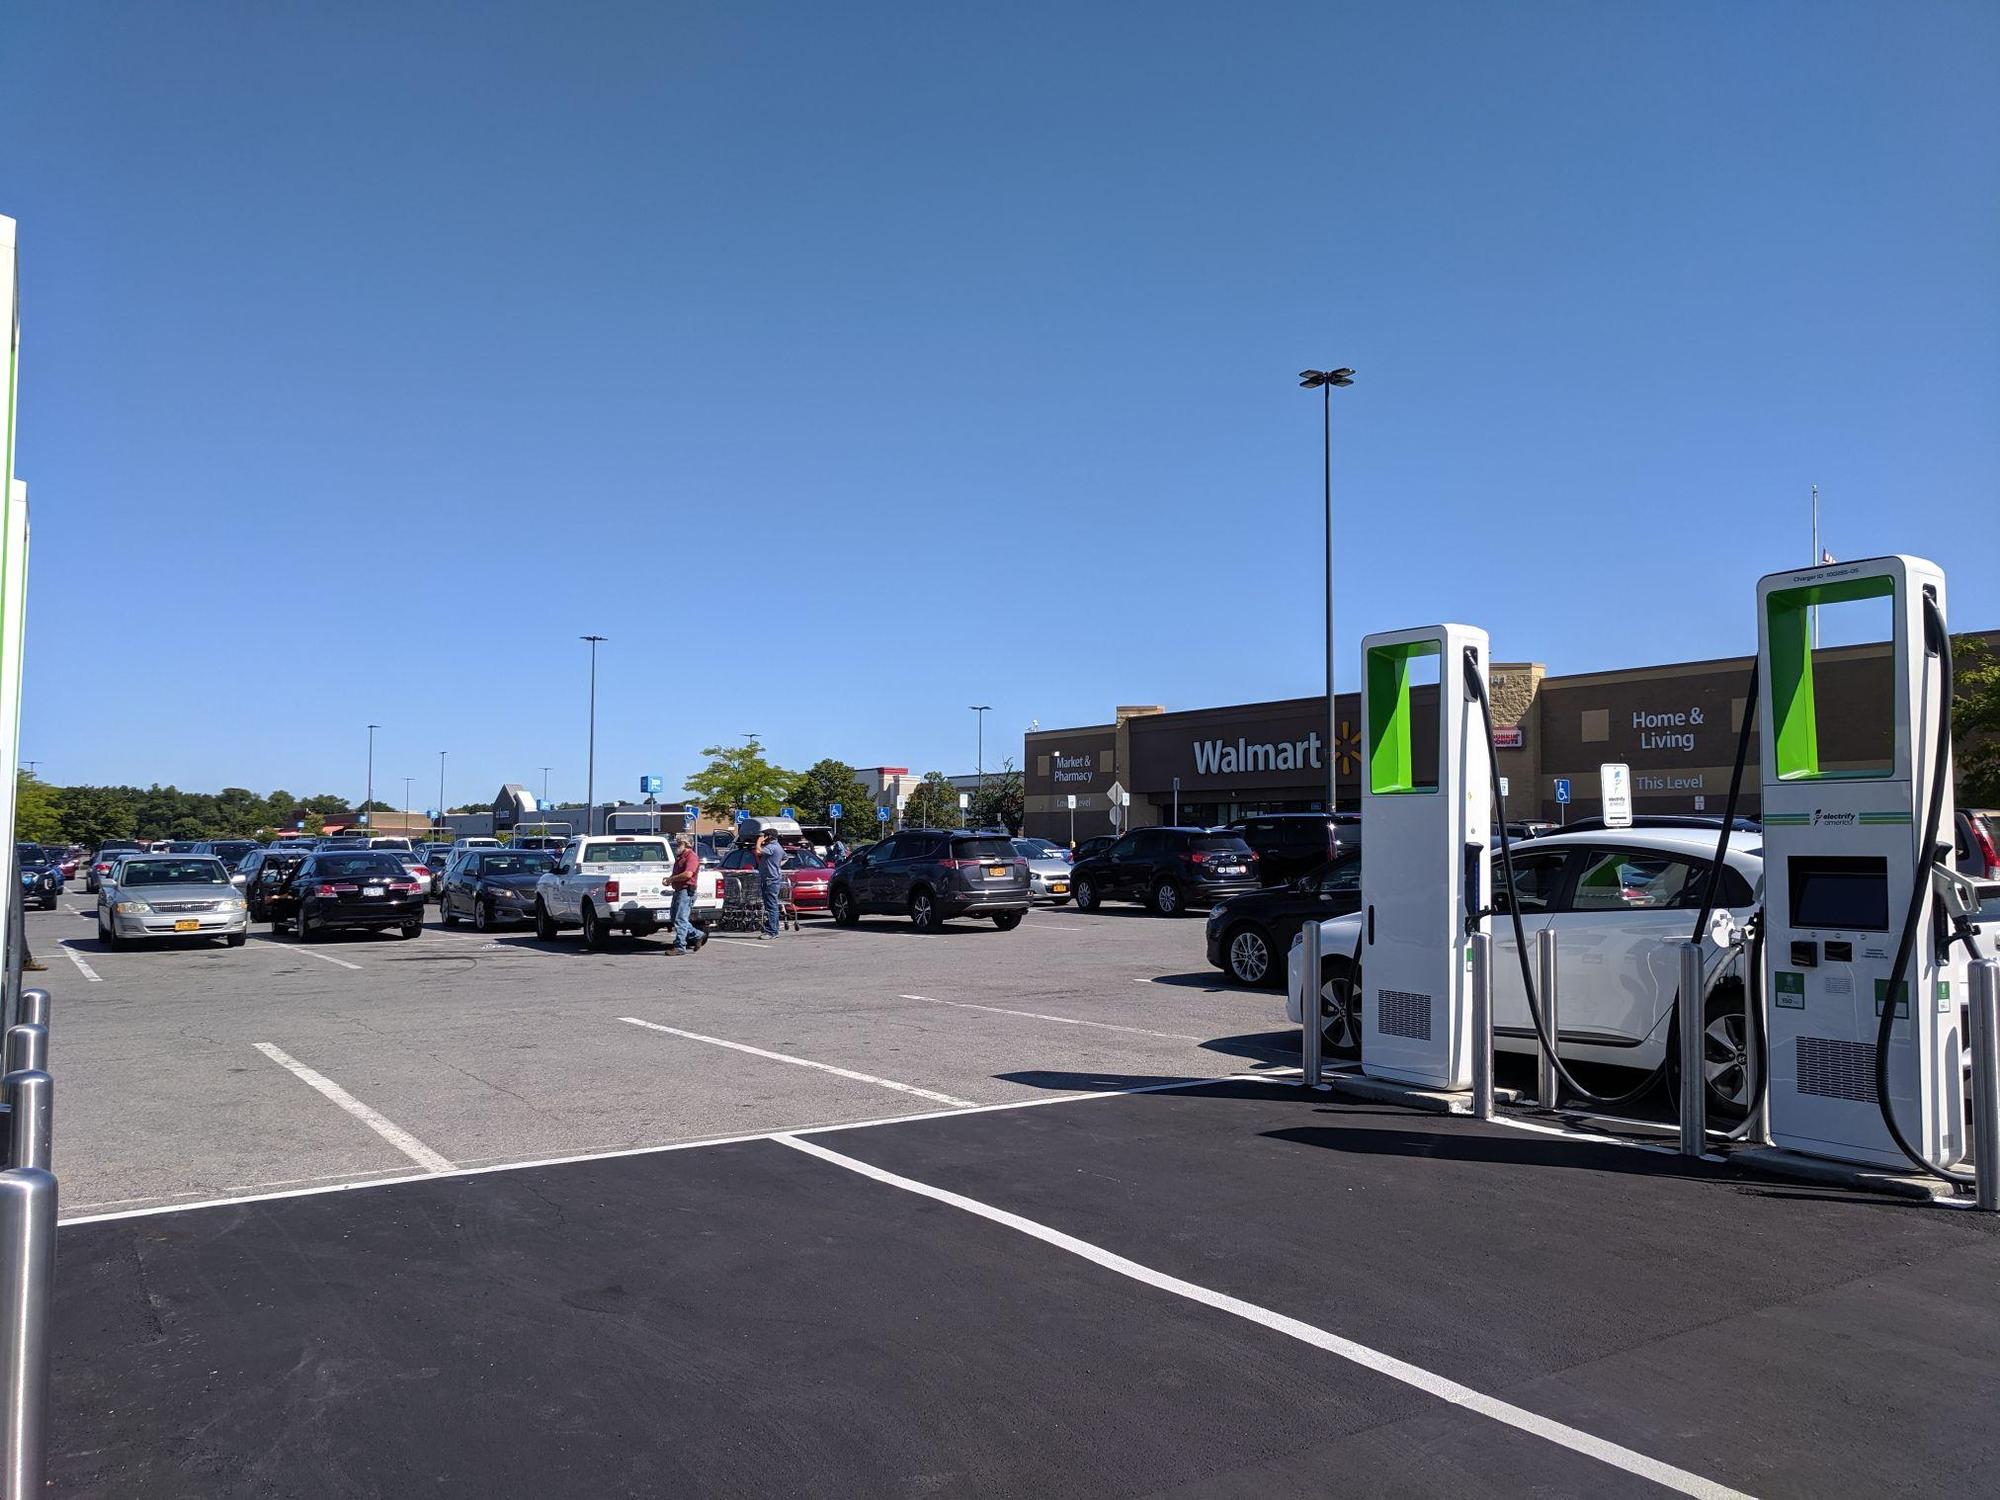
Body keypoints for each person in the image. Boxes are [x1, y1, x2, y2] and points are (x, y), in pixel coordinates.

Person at [666, 833, 700, 955]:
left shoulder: (692, 857)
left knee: (680, 919)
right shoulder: (680, 857)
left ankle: (680, 946)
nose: (677, 845)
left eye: (679, 843)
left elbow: (688, 874)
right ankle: (699, 935)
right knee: (675, 918)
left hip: (686, 891)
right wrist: (670, 879)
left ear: (687, 844)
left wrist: (672, 879)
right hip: (678, 890)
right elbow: (678, 873)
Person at [755, 830, 784, 939]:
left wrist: (758, 842)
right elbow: (785, 857)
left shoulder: (772, 847)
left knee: (771, 906)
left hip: (770, 880)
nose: (763, 837)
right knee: (772, 906)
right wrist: (776, 865)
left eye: (764, 836)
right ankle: (773, 929)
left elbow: (758, 851)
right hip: (771, 879)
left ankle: (772, 931)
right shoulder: (777, 847)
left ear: (769, 837)